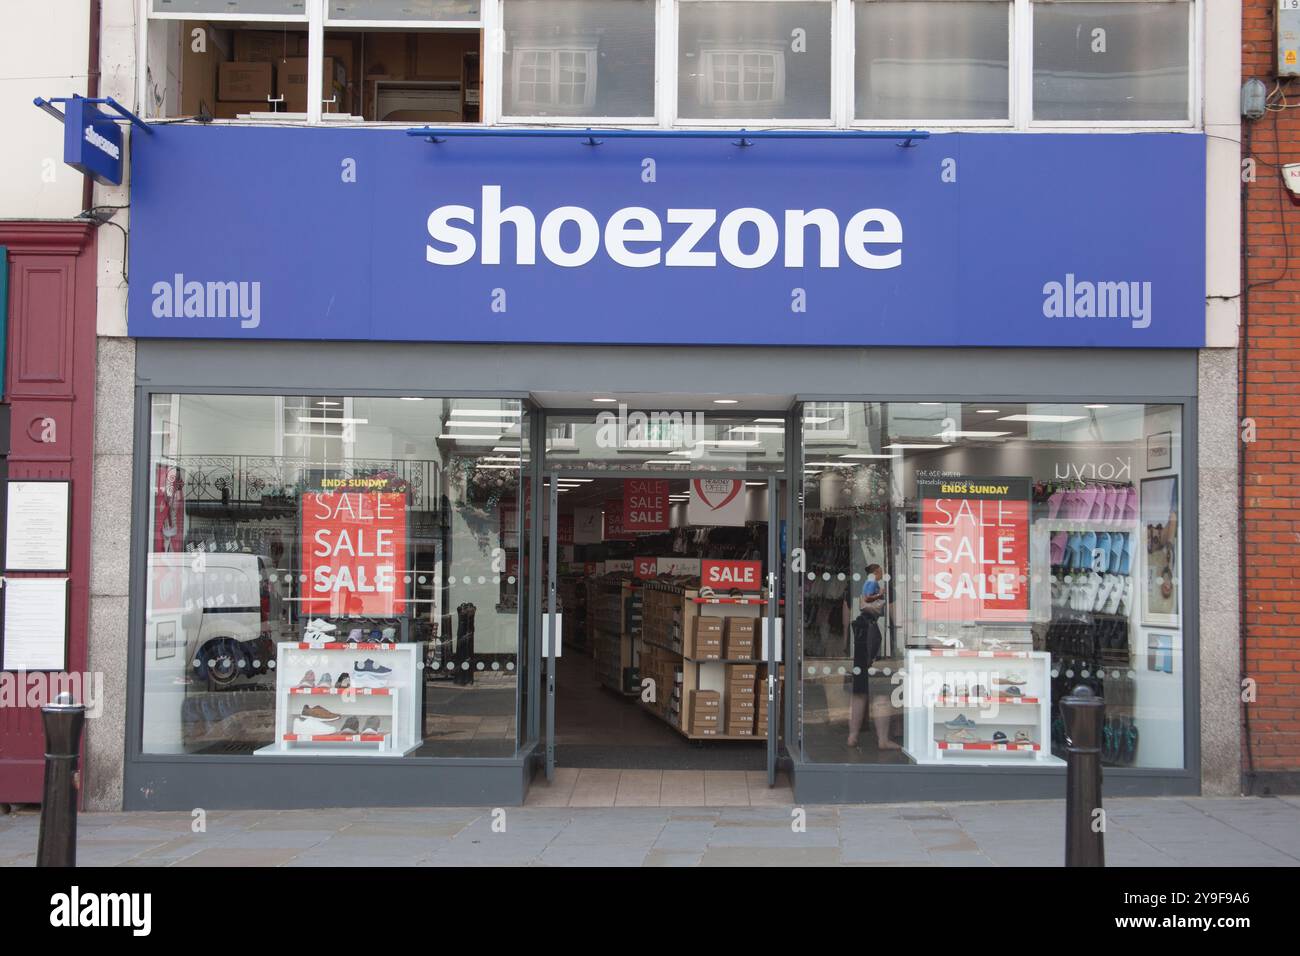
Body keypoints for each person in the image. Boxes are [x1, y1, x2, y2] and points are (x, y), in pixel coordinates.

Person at [847, 564, 898, 750]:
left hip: (861, 631)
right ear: (876, 572)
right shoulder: (876, 586)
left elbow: (850, 606)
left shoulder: (859, 584)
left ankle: (852, 736)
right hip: (872, 631)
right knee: (880, 688)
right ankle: (882, 739)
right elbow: (892, 612)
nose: (883, 573)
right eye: (881, 571)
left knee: (859, 689)